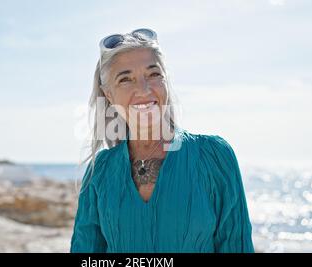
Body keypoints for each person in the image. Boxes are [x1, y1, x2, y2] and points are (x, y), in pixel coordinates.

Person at [70, 28, 254, 253]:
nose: (144, 89)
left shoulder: (214, 156)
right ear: (108, 95)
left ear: (166, 80)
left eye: (153, 74)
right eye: (125, 79)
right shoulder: (100, 171)